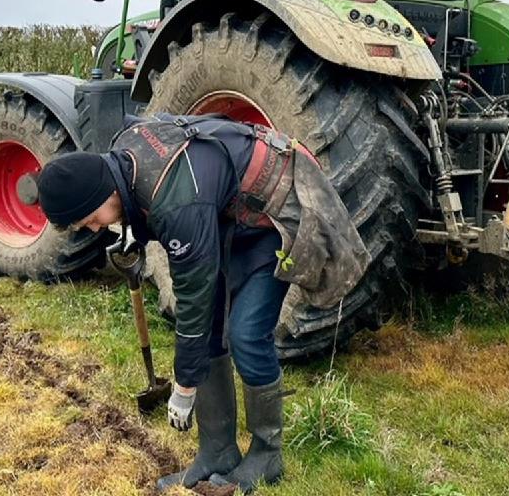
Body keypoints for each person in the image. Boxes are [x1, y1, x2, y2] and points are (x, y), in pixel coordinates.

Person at [35, 113, 371, 493]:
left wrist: (185, 386)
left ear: (102, 195)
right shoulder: (122, 157)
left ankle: (266, 454)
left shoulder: (177, 202)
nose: (95, 229)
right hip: (229, 215)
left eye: (90, 220)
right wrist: (134, 235)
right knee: (209, 327)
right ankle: (217, 451)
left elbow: (195, 299)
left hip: (275, 213)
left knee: (245, 334)